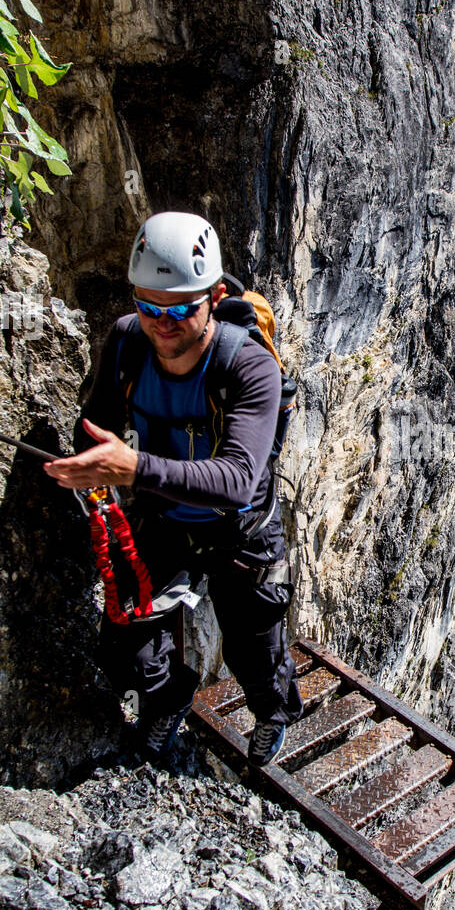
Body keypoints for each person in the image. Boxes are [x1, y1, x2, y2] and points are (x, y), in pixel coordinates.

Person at [44, 211, 303, 765]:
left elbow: (236, 480)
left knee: (255, 647)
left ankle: (272, 714)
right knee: (127, 647)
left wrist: (131, 468)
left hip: (240, 533)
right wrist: (89, 467)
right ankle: (167, 700)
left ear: (211, 296)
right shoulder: (126, 342)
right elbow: (95, 424)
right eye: (148, 305)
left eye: (181, 308)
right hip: (163, 524)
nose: (163, 321)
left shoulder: (249, 366)